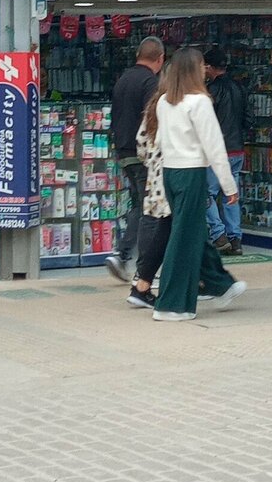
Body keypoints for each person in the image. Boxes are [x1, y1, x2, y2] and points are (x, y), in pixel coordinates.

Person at [153, 47, 247, 322]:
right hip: (192, 172)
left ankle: (222, 284)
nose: (206, 70)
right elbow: (214, 146)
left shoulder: (164, 102)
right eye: (202, 66)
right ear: (195, 70)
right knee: (183, 238)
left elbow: (159, 143)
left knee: (191, 232)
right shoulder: (199, 102)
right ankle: (171, 304)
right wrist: (229, 186)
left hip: (171, 172)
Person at [105, 36, 165, 282]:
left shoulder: (123, 79)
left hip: (122, 151)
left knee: (138, 205)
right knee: (149, 209)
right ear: (160, 59)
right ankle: (140, 265)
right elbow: (151, 118)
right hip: (142, 154)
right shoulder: (150, 82)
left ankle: (123, 254)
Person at [126, 72, 172, 310]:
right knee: (165, 231)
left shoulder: (153, 107)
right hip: (172, 177)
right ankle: (142, 283)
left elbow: (141, 142)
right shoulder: (173, 106)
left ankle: (142, 282)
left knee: (156, 227)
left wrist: (151, 163)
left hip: (154, 178)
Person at [203, 47, 251, 256]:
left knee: (207, 194)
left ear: (210, 67)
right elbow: (248, 119)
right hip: (237, 149)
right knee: (232, 195)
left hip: (217, 151)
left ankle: (218, 234)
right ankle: (235, 238)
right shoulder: (239, 88)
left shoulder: (210, 91)